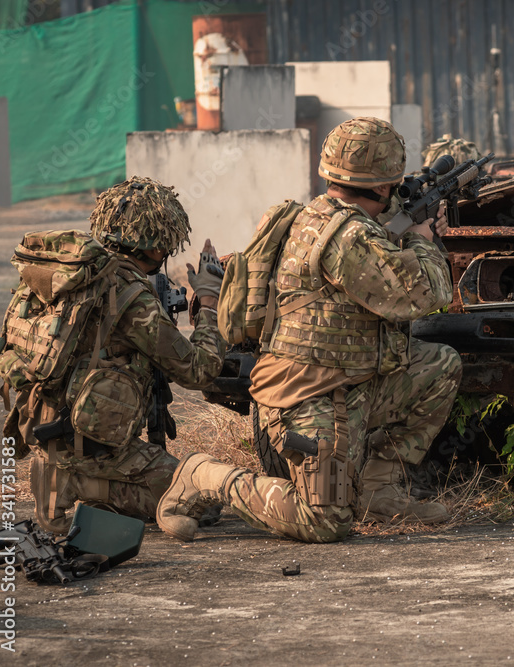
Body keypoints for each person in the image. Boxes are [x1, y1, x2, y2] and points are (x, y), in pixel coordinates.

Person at [157, 117, 462, 543]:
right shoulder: (349, 237)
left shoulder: (320, 214)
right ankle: (205, 475)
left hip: (349, 382)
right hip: (306, 398)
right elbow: (425, 293)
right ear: (381, 187)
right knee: (324, 521)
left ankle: (377, 488)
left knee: (439, 365)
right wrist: (424, 239)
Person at [0, 177, 225, 533]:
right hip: (93, 447)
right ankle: (76, 483)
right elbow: (198, 371)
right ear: (155, 245)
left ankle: (62, 474)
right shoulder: (132, 297)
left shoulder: (67, 275)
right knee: (204, 503)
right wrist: (209, 301)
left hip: (50, 431)